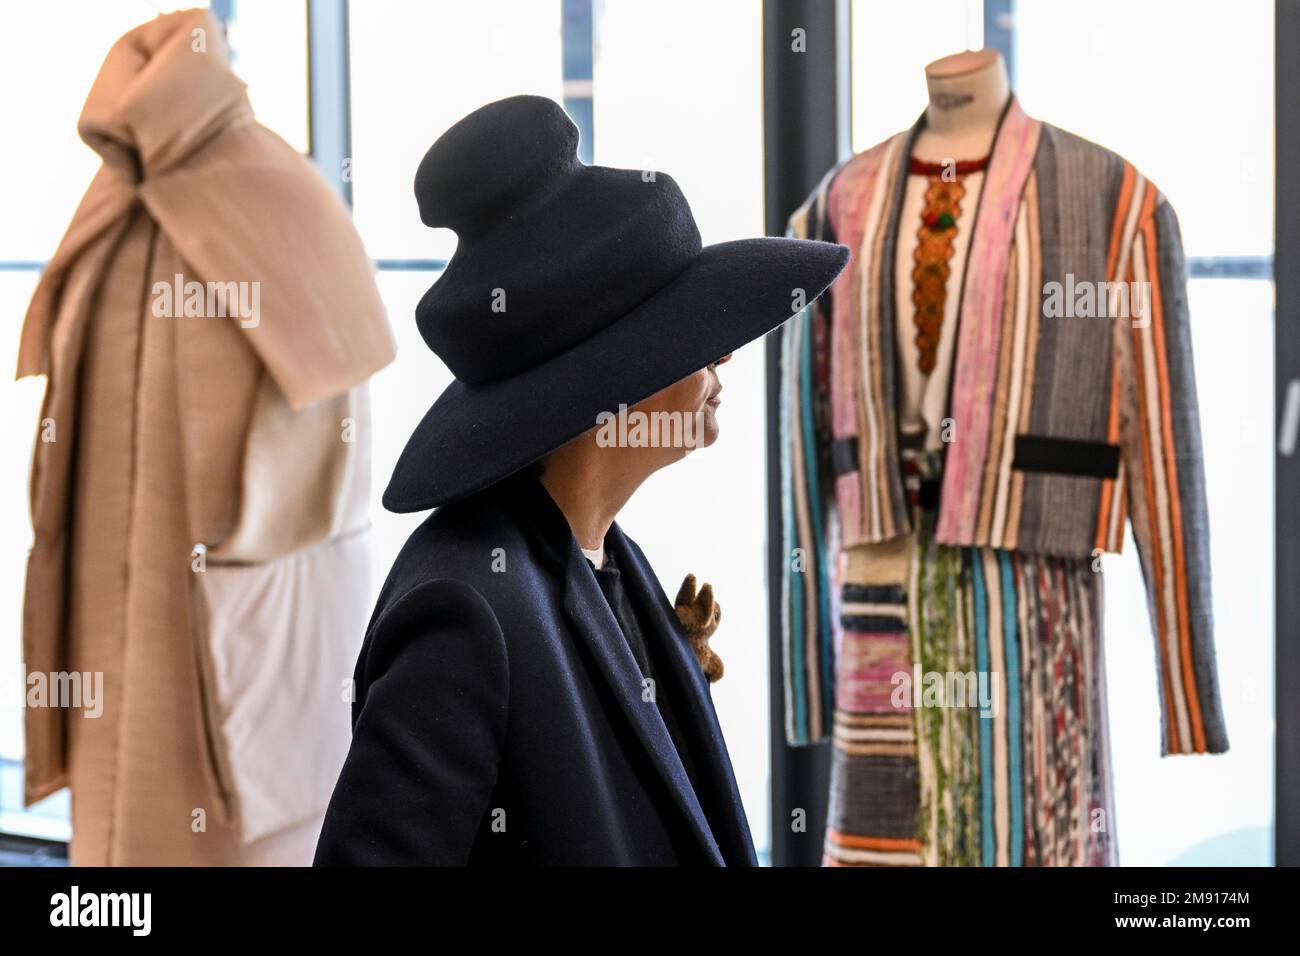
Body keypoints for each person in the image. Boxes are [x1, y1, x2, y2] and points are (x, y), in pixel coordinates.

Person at [313, 95, 848, 866]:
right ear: (612, 381)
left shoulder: (597, 554)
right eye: (693, 332)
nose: (724, 357)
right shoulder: (464, 612)